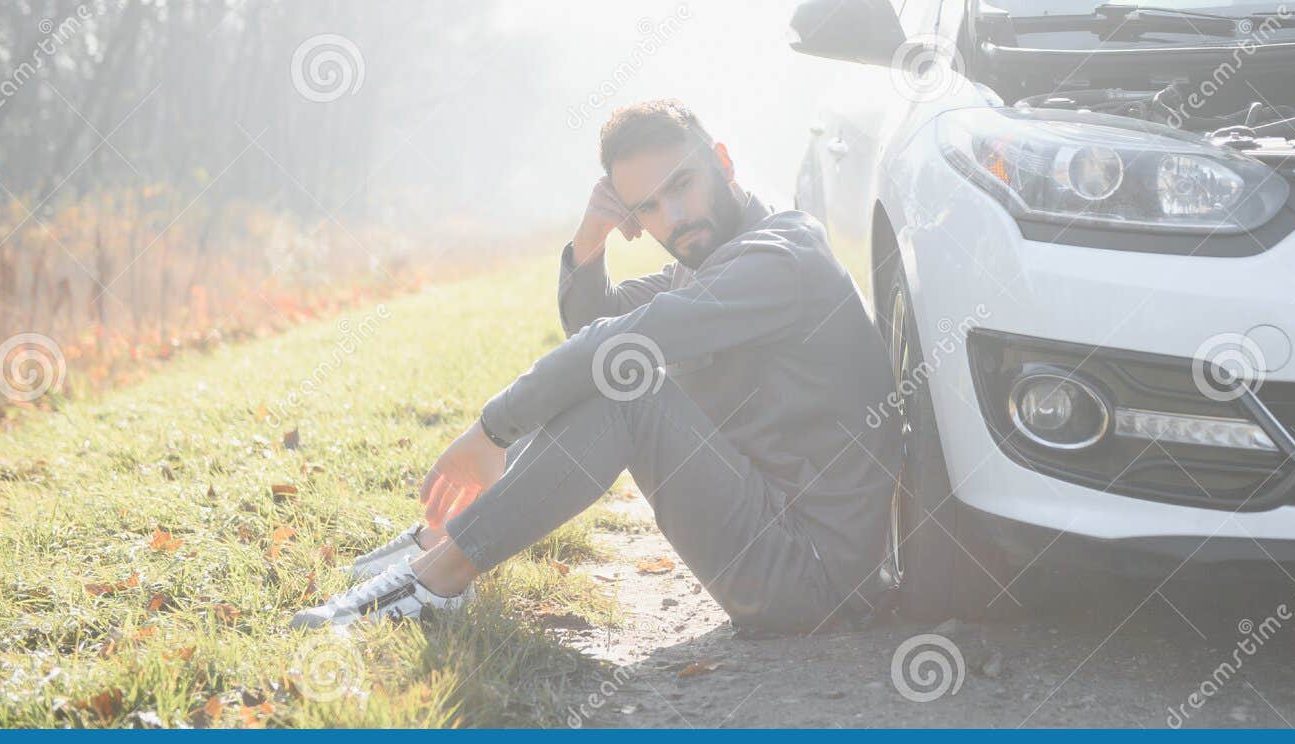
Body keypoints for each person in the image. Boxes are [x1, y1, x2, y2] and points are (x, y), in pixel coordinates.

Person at [293, 98, 900, 633]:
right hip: (777, 535)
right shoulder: (715, 254)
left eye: (682, 184)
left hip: (813, 575)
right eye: (650, 206)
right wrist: (591, 238)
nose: (675, 217)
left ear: (723, 159)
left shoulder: (776, 260)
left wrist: (492, 430)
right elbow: (596, 326)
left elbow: (612, 347)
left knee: (628, 388)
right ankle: (438, 546)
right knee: (619, 378)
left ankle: (435, 581)